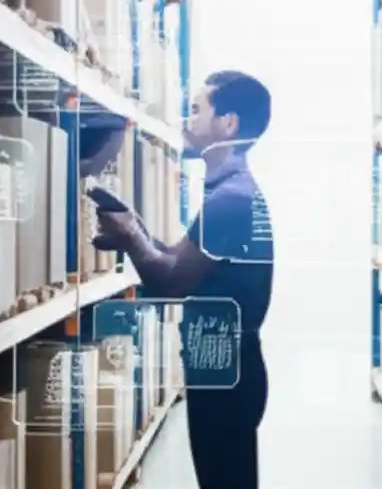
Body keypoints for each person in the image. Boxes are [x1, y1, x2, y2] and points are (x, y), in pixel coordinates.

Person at [89, 70, 274, 489]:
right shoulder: (229, 191)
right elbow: (177, 258)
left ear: (228, 123)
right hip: (224, 362)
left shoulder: (231, 199)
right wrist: (132, 226)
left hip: (227, 367)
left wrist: (131, 235)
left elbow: (172, 282)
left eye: (197, 110)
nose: (187, 120)